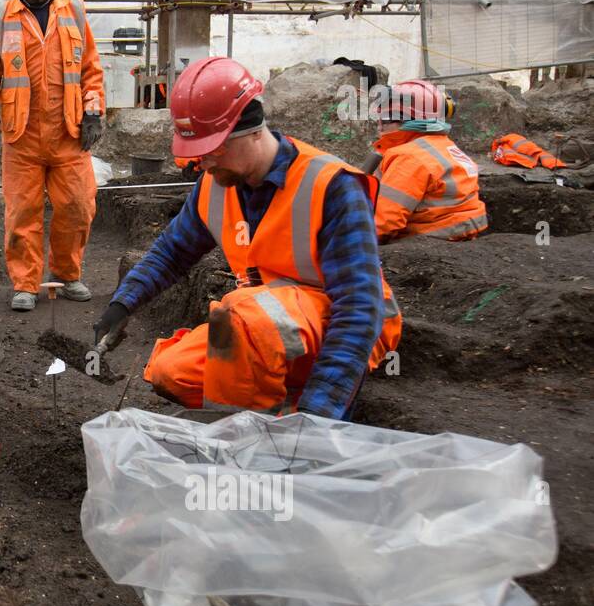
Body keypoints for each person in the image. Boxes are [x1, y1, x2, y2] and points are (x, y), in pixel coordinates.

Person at [93, 56, 402, 420]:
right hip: (267, 326)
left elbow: (359, 309)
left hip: (338, 325)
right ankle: (275, 408)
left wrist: (319, 417)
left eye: (213, 149)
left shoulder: (333, 187)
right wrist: (122, 305)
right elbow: (171, 253)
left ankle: (260, 434)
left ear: (254, 130)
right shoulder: (217, 183)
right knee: (172, 371)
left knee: (241, 313)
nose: (203, 163)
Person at [0, 0, 105, 311]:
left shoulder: (75, 12)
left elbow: (92, 69)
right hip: (22, 135)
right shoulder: (0, 18)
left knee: (78, 206)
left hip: (69, 133)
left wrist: (93, 111)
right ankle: (26, 283)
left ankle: (67, 275)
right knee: (22, 211)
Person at [372, 79, 488, 242]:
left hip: (431, 237)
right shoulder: (444, 147)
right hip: (462, 231)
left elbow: (384, 223)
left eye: (384, 119)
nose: (379, 126)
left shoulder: (409, 157)